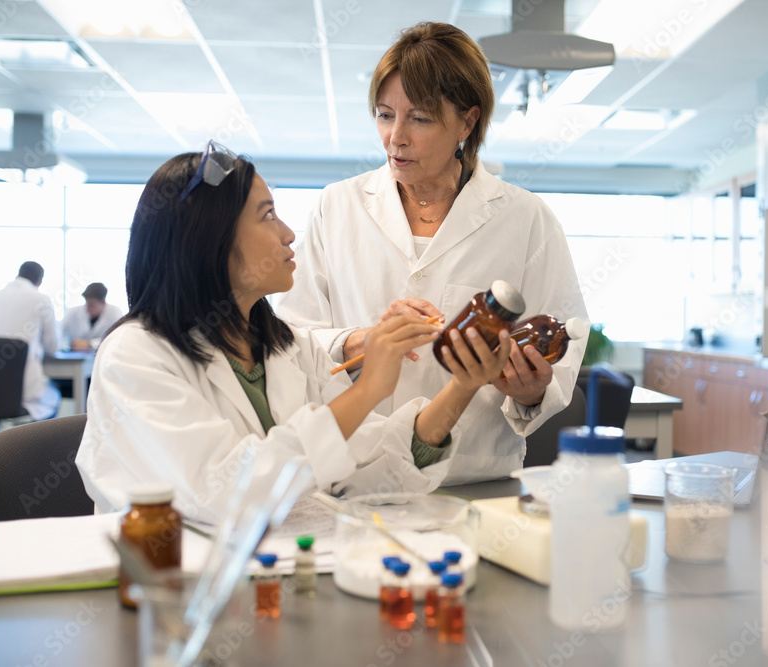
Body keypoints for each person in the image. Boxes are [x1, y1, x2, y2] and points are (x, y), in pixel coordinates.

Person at [75, 141, 510, 524]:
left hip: (277, 579)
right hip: (168, 594)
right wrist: (368, 389)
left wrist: (463, 386)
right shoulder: (134, 357)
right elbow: (226, 494)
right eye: (268, 216)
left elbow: (368, 471)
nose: (288, 234)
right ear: (209, 238)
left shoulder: (287, 347)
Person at [276, 22, 588, 484]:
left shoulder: (526, 219)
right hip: (355, 475)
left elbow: (565, 338)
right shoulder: (337, 207)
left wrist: (531, 390)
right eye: (385, 115)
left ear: (467, 120)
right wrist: (363, 340)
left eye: (419, 118)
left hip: (473, 478)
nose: (395, 137)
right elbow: (291, 341)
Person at [0, 261, 61, 425]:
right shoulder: (41, 299)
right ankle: (38, 448)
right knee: (54, 396)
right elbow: (53, 346)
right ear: (39, 282)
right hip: (22, 391)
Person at [61, 282, 123, 350]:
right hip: (74, 356)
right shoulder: (72, 312)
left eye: (92, 305)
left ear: (103, 303)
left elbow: (117, 338)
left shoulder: (115, 312)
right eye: (87, 303)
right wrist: (70, 343)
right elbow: (59, 334)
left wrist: (90, 344)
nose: (88, 309)